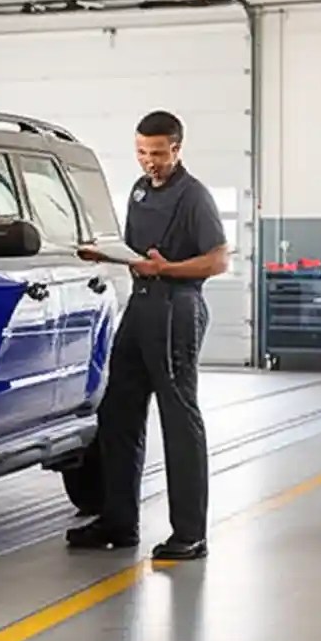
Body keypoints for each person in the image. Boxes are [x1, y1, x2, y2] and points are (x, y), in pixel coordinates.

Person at [65, 110, 230, 561]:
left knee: (179, 417)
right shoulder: (139, 192)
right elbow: (139, 254)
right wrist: (104, 253)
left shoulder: (193, 197)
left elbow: (218, 260)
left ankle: (190, 534)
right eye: (141, 152)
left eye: (157, 153)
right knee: (118, 410)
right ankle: (119, 520)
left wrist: (168, 269)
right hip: (139, 306)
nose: (149, 162)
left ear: (177, 149)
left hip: (177, 307)